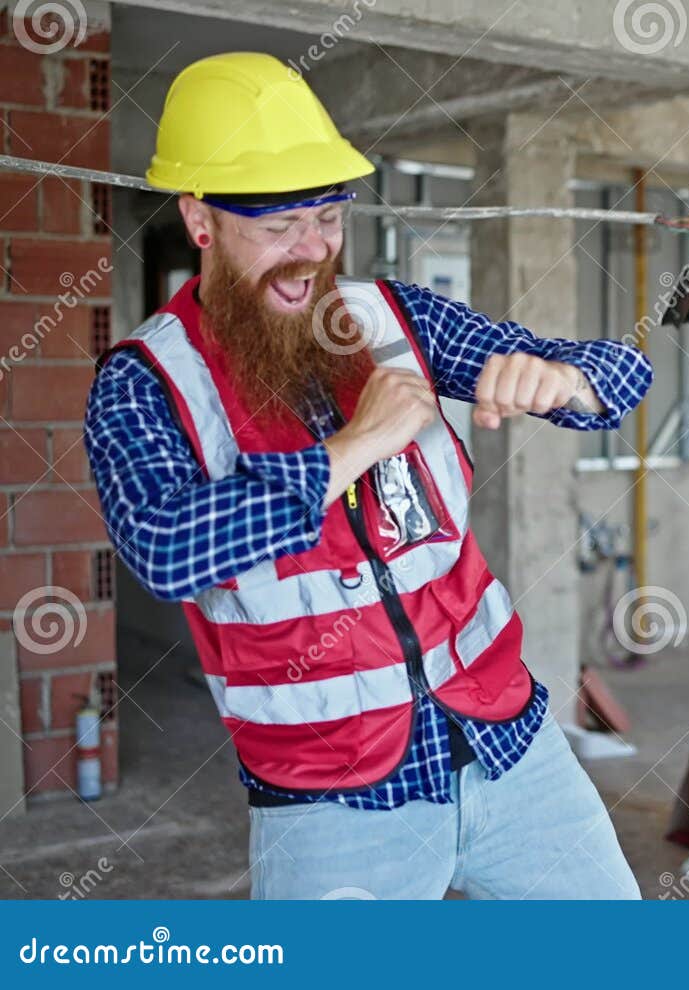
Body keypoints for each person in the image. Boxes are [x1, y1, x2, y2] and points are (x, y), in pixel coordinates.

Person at [85, 52, 649, 899]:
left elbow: (620, 374)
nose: (310, 250)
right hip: (332, 802)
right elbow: (166, 547)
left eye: (327, 216)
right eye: (278, 224)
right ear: (200, 219)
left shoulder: (395, 319)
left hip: (512, 746)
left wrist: (566, 381)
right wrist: (354, 446)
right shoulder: (144, 383)